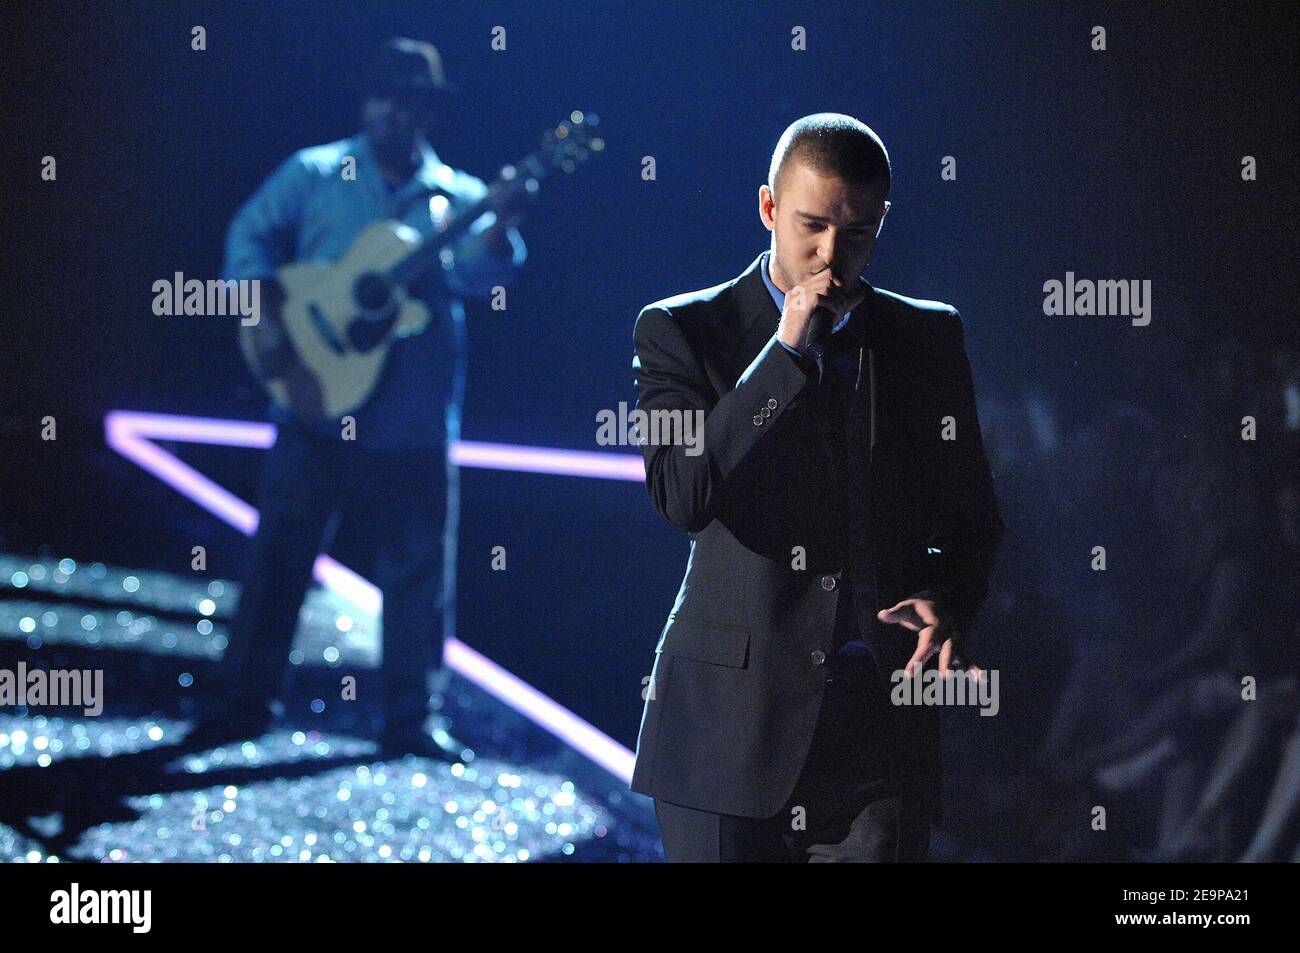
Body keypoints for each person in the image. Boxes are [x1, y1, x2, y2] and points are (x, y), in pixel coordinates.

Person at [629, 113, 1003, 861]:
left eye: (858, 233)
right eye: (811, 226)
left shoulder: (927, 336)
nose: (831, 254)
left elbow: (973, 514)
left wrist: (947, 597)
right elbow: (683, 493)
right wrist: (785, 353)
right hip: (728, 727)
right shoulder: (681, 330)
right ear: (769, 208)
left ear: (882, 222)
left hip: (874, 723)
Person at [199, 38, 530, 760]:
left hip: (410, 421)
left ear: (430, 111)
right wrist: (270, 323)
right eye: (386, 95)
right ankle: (241, 702)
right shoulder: (316, 172)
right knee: (279, 561)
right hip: (316, 404)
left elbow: (480, 278)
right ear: (366, 99)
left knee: (416, 577)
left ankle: (411, 722)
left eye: (413, 99)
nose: (396, 111)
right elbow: (250, 236)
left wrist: (501, 222)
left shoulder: (463, 198)